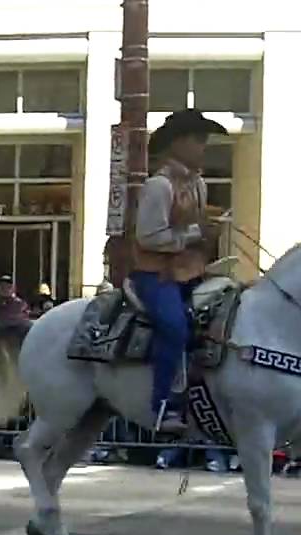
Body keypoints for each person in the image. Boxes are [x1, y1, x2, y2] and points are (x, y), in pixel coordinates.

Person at [131, 109, 227, 433]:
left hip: (192, 270)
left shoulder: (198, 184)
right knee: (174, 327)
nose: (204, 147)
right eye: (199, 140)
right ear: (180, 142)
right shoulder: (158, 185)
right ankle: (162, 406)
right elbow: (148, 236)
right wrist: (195, 235)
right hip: (156, 274)